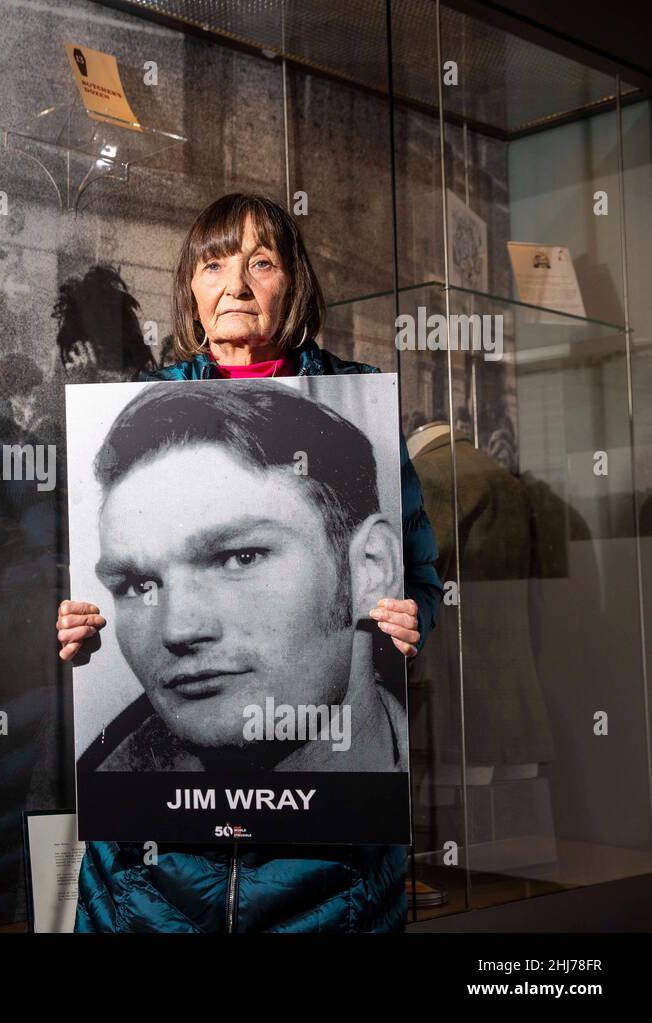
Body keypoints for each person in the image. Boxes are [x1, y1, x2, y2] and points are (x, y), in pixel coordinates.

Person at [55, 193, 443, 933]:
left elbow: (421, 580)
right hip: (155, 875)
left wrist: (406, 616)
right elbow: (84, 594)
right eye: (213, 264)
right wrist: (80, 625)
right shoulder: (136, 408)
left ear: (293, 282)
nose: (234, 284)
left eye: (259, 262)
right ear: (191, 290)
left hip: (335, 871)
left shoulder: (358, 403)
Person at [79, 382, 407, 777]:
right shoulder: (90, 819)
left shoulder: (451, 768)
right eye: (137, 585)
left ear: (372, 568)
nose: (179, 630)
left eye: (240, 558)